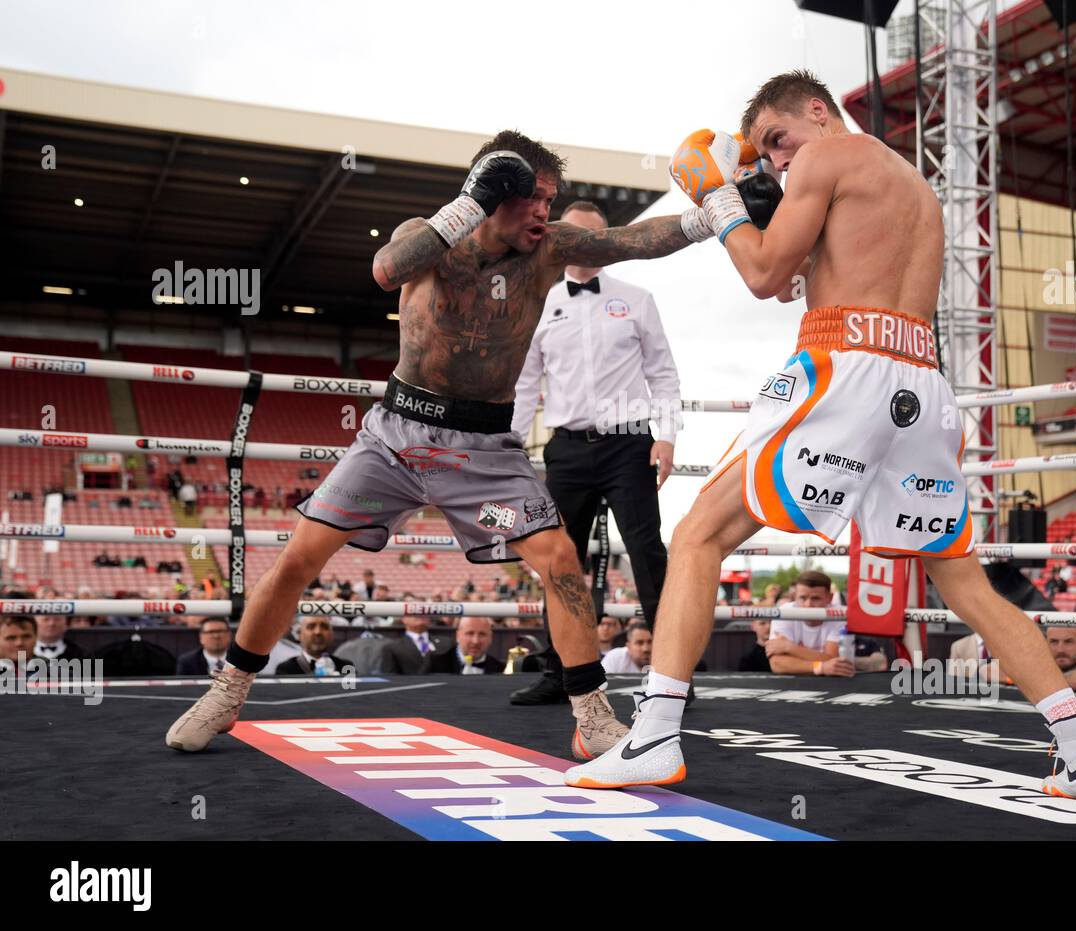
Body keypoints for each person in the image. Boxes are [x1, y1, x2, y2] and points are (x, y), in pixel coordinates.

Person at [567, 71, 1076, 803]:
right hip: (921, 384)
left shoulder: (829, 154)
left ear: (818, 112)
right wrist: (749, 201)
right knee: (967, 584)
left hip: (847, 367)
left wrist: (716, 195)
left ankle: (655, 736)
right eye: (765, 154)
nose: (778, 161)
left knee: (701, 532)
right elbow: (808, 269)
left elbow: (765, 273)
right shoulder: (914, 189)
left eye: (779, 139)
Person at [166, 129, 723, 760]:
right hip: (393, 445)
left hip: (481, 461)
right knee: (298, 560)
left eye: (550, 198)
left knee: (559, 559)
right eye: (533, 197)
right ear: (492, 194)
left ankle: (591, 713)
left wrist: (721, 213)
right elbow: (385, 271)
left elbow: (635, 240)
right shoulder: (429, 235)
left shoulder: (550, 249)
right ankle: (228, 691)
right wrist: (469, 203)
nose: (545, 211)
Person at [509, 199, 683, 706]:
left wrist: (667, 435)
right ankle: (561, 673)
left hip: (630, 444)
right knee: (558, 561)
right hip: (566, 450)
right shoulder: (538, 301)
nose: (588, 244)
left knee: (649, 555)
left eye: (597, 236)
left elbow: (663, 374)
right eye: (578, 235)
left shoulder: (638, 297)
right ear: (560, 238)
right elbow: (524, 383)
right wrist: (510, 445)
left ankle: (670, 677)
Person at [423, 617, 504, 674]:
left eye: (482, 634)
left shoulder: (501, 669)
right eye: (470, 633)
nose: (475, 641)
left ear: (491, 638)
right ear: (458, 635)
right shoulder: (435, 664)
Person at [274, 617, 348, 675]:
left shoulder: (346, 667)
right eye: (311, 627)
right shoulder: (286, 669)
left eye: (324, 626)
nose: (318, 632)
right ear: (299, 634)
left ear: (332, 634)